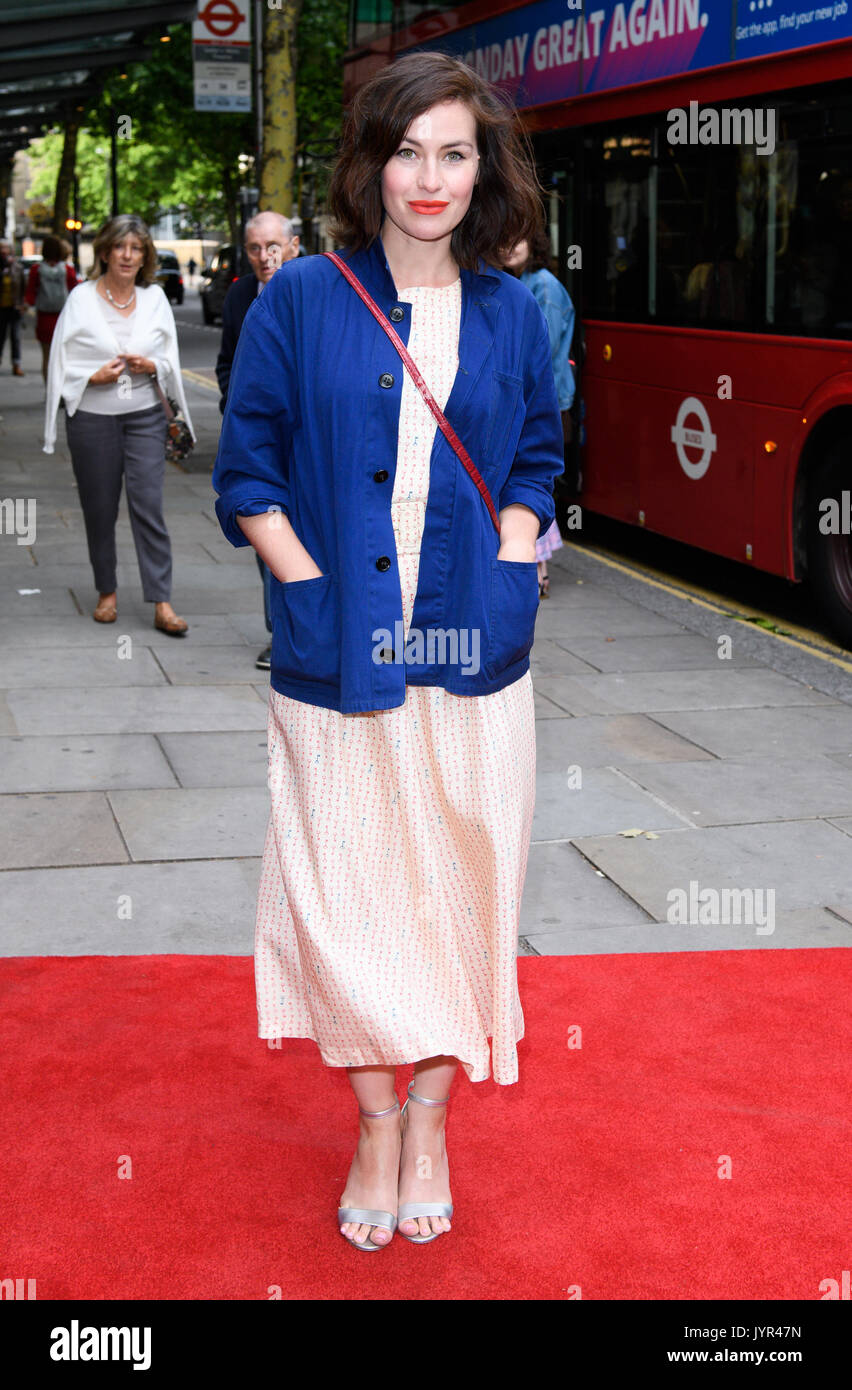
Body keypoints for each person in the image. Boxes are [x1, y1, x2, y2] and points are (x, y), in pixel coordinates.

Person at [213, 50, 563, 1252]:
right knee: (344, 895)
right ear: (372, 164)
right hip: (340, 647)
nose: (431, 176)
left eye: (455, 152)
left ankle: (430, 1115)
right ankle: (374, 1123)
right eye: (408, 149)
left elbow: (536, 455)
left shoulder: (515, 310)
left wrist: (517, 546)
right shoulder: (300, 297)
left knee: (462, 890)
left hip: (476, 643)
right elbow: (247, 465)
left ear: (485, 169)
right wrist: (305, 581)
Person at [43, 213, 195, 633]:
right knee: (99, 509)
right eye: (120, 247)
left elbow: (170, 361)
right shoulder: (80, 298)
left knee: (148, 507)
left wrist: (152, 365)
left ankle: (161, 601)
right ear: (106, 251)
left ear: (143, 255)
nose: (128, 255)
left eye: (137, 248)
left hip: (145, 416)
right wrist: (92, 376)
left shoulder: (155, 300)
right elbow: (60, 363)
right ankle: (106, 591)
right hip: (92, 418)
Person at [215, 211, 300, 670]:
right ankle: (280, 635)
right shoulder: (239, 295)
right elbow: (227, 361)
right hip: (258, 441)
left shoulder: (313, 291)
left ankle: (307, 625)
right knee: (263, 525)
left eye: (272, 246)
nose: (264, 256)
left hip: (305, 438)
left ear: (293, 245)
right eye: (254, 248)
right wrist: (236, 409)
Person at [503, 224, 575, 597]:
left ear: (535, 245)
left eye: (517, 238)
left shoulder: (542, 286)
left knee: (534, 482)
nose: (510, 245)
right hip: (530, 399)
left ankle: (537, 569)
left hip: (543, 401)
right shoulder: (518, 282)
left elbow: (538, 356)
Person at [23, 234, 79, 383]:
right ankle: (62, 389)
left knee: (47, 356)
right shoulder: (68, 270)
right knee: (64, 356)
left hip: (44, 317)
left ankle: (50, 391)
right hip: (64, 316)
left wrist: (25, 306)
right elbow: (75, 291)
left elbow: (31, 293)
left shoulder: (36, 269)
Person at [0, 239, 25, 376]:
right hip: (1, 307)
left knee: (15, 336)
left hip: (14, 307)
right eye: (1, 248)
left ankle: (16, 364)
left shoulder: (17, 267)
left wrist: (23, 305)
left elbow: (23, 288)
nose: (3, 251)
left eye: (6, 248)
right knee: (1, 336)